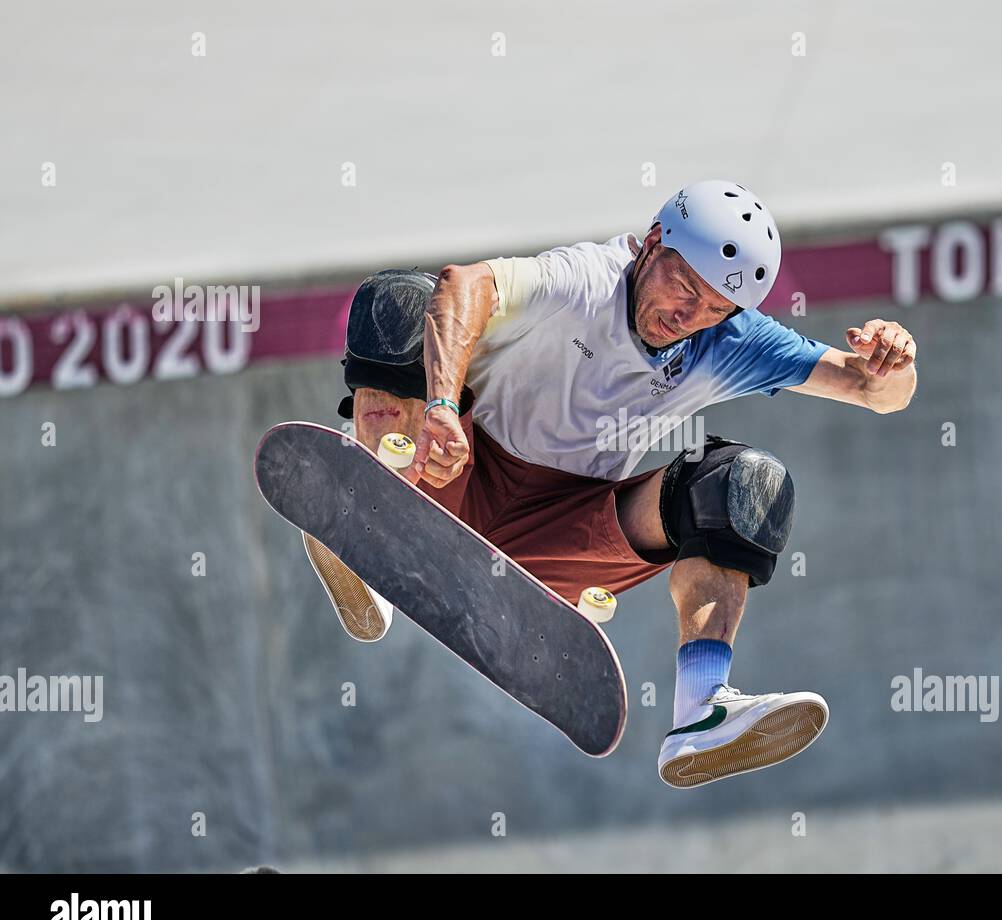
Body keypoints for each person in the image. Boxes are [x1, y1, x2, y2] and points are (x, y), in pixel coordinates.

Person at [315, 179, 917, 787]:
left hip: (570, 537)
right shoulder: (585, 279)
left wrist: (891, 363)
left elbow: (876, 393)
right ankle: (375, 538)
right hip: (451, 468)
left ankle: (701, 711)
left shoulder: (727, 341)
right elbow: (462, 285)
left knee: (743, 482)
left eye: (714, 309)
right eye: (681, 289)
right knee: (396, 302)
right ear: (651, 244)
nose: (687, 318)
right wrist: (443, 402)